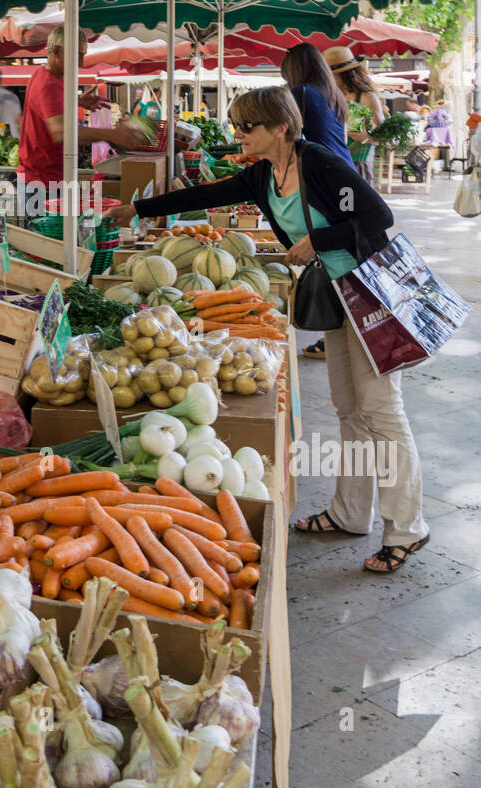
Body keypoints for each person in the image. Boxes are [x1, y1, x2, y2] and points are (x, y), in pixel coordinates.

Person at [107, 84, 429, 576]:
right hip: (333, 298)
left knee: (382, 410)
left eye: (246, 126)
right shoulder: (263, 175)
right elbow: (209, 193)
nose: (238, 134)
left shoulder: (318, 162)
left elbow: (378, 216)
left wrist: (318, 239)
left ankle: (408, 526)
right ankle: (350, 513)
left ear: (280, 126)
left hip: (368, 296)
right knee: (349, 409)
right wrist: (139, 209)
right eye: (236, 125)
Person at [17, 26, 148, 218]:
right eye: (76, 54)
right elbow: (61, 132)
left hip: (47, 178)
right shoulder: (49, 83)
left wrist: (76, 101)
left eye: (82, 54)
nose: (81, 62)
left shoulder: (45, 75)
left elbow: (47, 108)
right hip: (42, 183)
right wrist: (111, 135)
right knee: (46, 244)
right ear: (56, 51)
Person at [280, 43, 352, 360]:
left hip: (328, 184)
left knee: (330, 258)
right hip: (346, 178)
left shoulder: (302, 93)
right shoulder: (330, 93)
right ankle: (340, 330)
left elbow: (282, 136)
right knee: (343, 259)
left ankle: (338, 329)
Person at [323, 46, 385, 185]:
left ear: (344, 74)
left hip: (356, 166)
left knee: (352, 206)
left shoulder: (367, 97)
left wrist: (367, 137)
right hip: (329, 166)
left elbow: (385, 136)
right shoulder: (327, 97)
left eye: (330, 74)